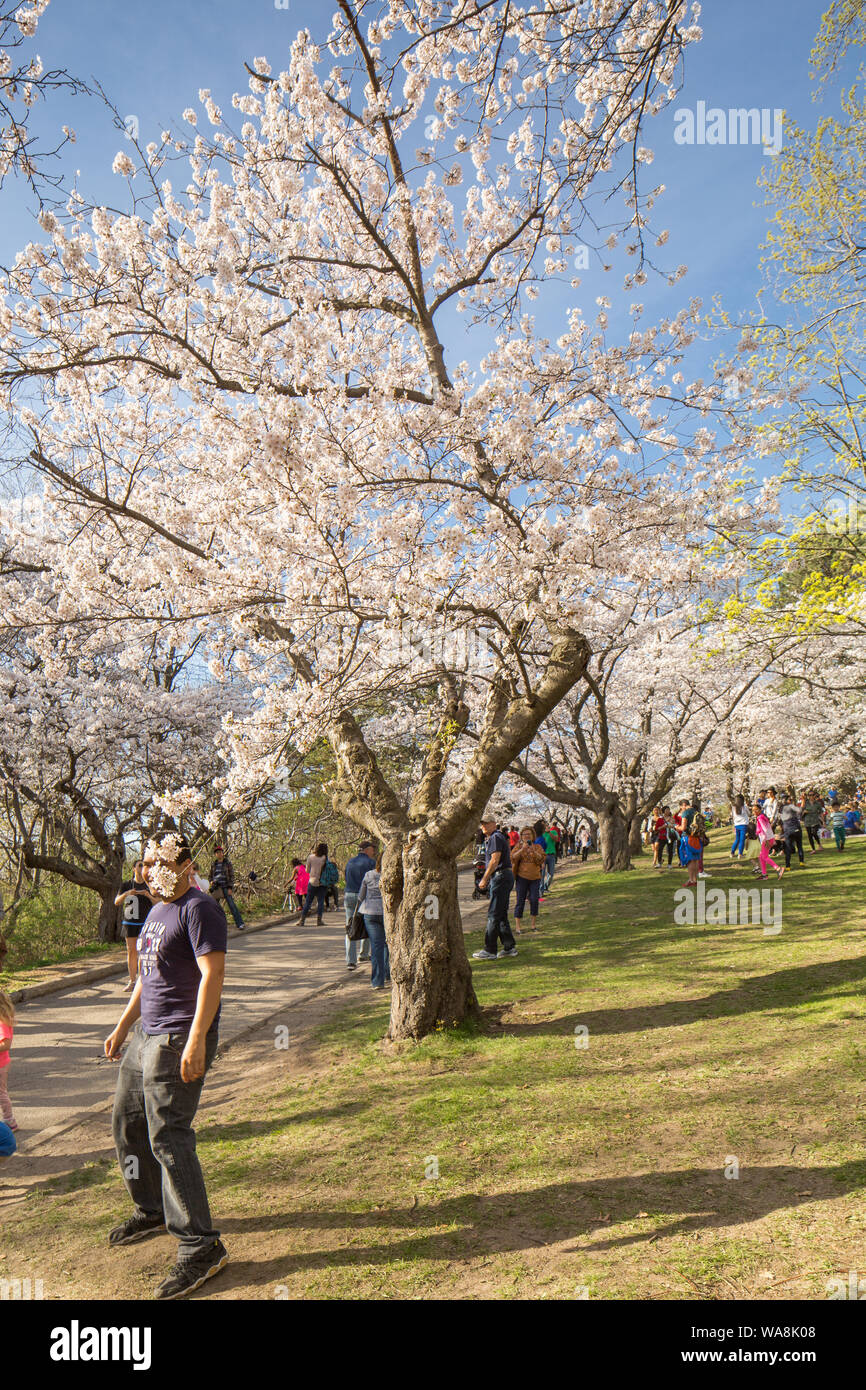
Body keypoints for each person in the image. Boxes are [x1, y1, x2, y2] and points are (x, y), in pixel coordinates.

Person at [104, 833, 228, 1300]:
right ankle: (152, 1208)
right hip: (145, 1035)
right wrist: (121, 1027)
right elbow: (147, 978)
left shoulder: (200, 908)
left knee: (168, 1133)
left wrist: (197, 1038)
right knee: (127, 1124)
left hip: (178, 1036)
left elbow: (212, 974)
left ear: (185, 864)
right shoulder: (155, 910)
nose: (151, 868)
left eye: (160, 861)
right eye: (148, 860)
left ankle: (200, 1244)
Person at [472, 815, 517, 961]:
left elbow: (495, 859)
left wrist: (484, 878)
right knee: (501, 913)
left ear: (493, 824)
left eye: (486, 823)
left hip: (501, 876)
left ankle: (490, 949)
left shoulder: (495, 838)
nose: (483, 826)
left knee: (493, 914)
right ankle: (509, 946)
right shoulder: (496, 837)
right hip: (505, 876)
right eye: (482, 823)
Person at [115, 860, 156, 993]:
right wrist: (127, 894)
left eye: (143, 866)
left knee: (143, 952)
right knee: (132, 951)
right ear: (133, 869)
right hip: (130, 921)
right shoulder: (126, 884)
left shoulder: (149, 885)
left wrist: (148, 895)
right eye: (140, 865)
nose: (142, 868)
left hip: (145, 922)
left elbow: (158, 903)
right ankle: (132, 981)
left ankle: (142, 980)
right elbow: (116, 902)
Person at [357, 853, 389, 989]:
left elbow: (361, 896)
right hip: (386, 913)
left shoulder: (369, 875)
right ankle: (388, 973)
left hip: (370, 913)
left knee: (376, 947)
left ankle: (377, 981)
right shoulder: (390, 876)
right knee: (388, 945)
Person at [343, 841, 376, 970]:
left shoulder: (350, 862)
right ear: (367, 850)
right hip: (365, 896)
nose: (373, 852)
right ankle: (363, 953)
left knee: (351, 925)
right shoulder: (371, 863)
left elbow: (346, 878)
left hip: (349, 895)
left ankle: (351, 961)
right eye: (372, 849)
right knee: (367, 923)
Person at [511, 827, 547, 933]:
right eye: (524, 834)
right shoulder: (518, 846)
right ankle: (518, 926)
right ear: (521, 836)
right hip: (521, 877)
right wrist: (522, 849)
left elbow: (542, 859)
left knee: (534, 900)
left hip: (535, 877)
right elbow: (512, 857)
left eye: (529, 834)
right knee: (520, 901)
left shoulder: (537, 846)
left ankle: (533, 925)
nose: (527, 836)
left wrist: (533, 851)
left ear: (533, 835)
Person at [209, 845, 245, 931]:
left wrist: (230, 888)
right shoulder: (213, 864)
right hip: (216, 888)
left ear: (223, 853)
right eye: (217, 852)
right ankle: (213, 926)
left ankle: (240, 923)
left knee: (232, 906)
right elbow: (210, 876)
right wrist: (211, 881)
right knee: (213, 907)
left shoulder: (227, 863)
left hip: (225, 887)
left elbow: (232, 876)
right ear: (215, 854)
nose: (219, 854)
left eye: (220, 852)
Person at [0, 989, 18, 1131]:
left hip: (1, 1063)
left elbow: (6, 1044)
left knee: (1, 1093)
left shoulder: (2, 1022)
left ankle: (9, 1121)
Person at [300, 842, 329, 925]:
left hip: (312, 881)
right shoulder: (325, 858)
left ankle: (302, 920)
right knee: (320, 902)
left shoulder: (311, 857)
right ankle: (319, 920)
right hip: (322, 883)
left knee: (308, 901)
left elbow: (307, 871)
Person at [753, 803, 784, 880]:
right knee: (761, 856)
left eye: (756, 809)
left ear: (760, 810)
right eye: (753, 810)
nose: (754, 811)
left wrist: (767, 840)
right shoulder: (763, 817)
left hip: (766, 839)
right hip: (768, 838)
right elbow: (769, 828)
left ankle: (778, 869)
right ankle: (764, 875)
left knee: (764, 856)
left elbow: (765, 829)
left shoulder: (760, 818)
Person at [780, 794, 805, 869]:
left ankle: (788, 866)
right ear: (787, 800)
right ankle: (801, 862)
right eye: (790, 799)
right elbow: (800, 810)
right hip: (795, 828)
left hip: (787, 829)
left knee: (788, 848)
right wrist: (803, 801)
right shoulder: (790, 806)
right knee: (799, 845)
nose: (791, 801)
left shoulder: (781, 808)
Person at [730, 795, 749, 860]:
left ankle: (732, 853)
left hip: (736, 825)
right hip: (743, 824)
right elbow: (749, 813)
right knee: (742, 840)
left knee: (737, 839)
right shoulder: (744, 807)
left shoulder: (733, 807)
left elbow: (732, 816)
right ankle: (740, 854)